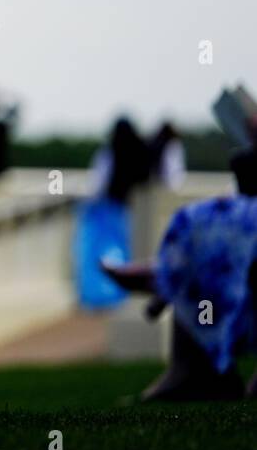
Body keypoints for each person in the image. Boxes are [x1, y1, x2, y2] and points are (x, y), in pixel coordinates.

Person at [104, 146, 257, 400]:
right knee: (198, 282)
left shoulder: (202, 214)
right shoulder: (218, 214)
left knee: (193, 284)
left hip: (224, 307)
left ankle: (187, 371)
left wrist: (162, 291)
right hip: (234, 307)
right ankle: (193, 371)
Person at [73, 117, 154, 309]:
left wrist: (87, 202)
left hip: (105, 210)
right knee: (120, 254)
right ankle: (115, 295)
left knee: (98, 254)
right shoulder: (139, 154)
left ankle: (98, 296)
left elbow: (98, 185)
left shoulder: (109, 154)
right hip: (125, 211)